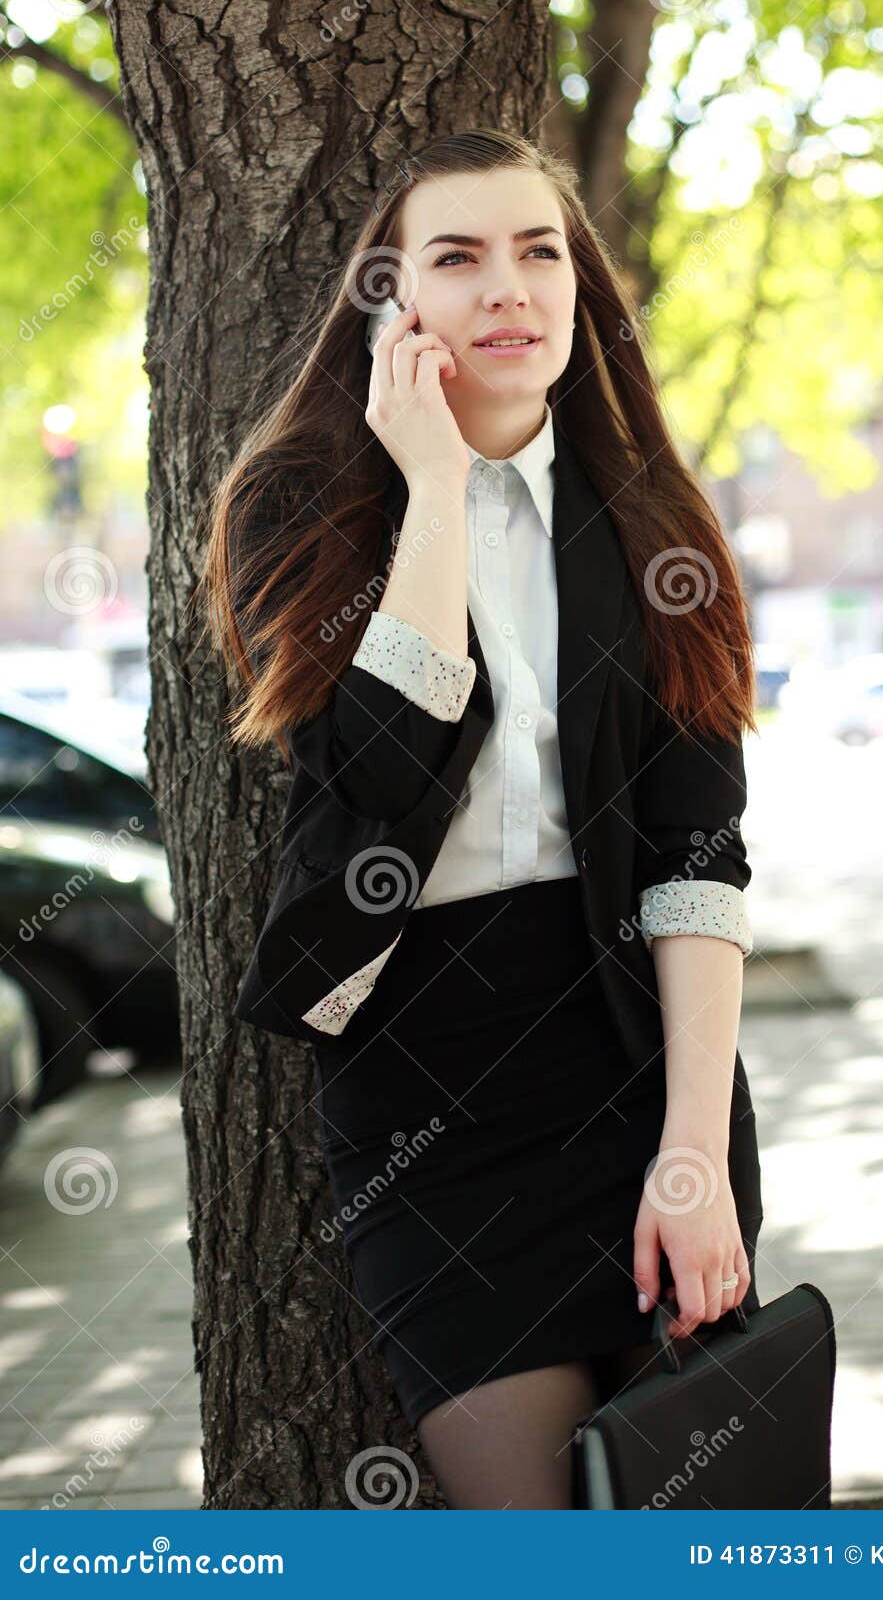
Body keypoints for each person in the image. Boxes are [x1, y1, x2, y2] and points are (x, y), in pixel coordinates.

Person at [201, 128, 764, 1509]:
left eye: (540, 251)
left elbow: (700, 862)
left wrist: (693, 1154)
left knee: (683, 1525)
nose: (509, 285)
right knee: (530, 1533)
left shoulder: (652, 521)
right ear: (394, 305)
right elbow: (383, 774)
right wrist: (441, 486)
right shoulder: (302, 507)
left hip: (637, 1053)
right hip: (426, 1091)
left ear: (582, 289)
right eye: (459, 258)